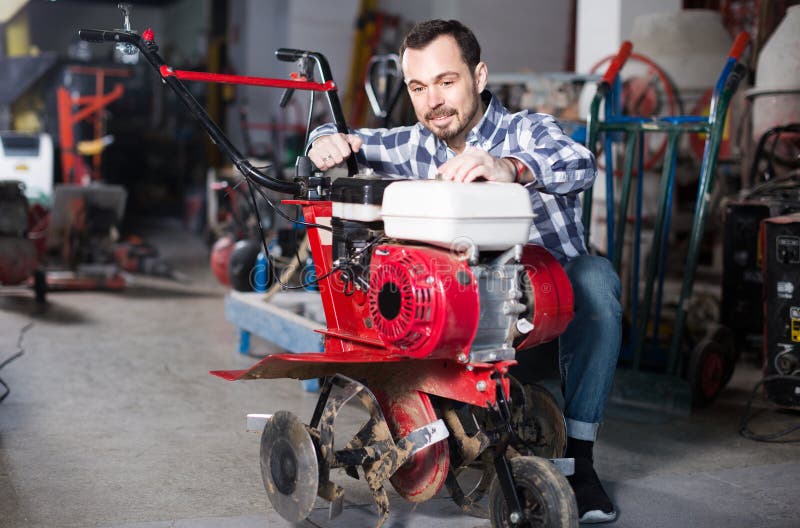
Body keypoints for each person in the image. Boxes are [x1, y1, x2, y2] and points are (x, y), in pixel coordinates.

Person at [307, 19, 622, 524]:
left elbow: (578, 162)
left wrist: (509, 167)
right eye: (418, 87)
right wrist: (324, 140)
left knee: (596, 279)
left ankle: (581, 462)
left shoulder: (526, 129)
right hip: (464, 321)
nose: (433, 101)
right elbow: (346, 139)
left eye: (446, 81)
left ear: (478, 76)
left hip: (546, 322)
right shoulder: (414, 144)